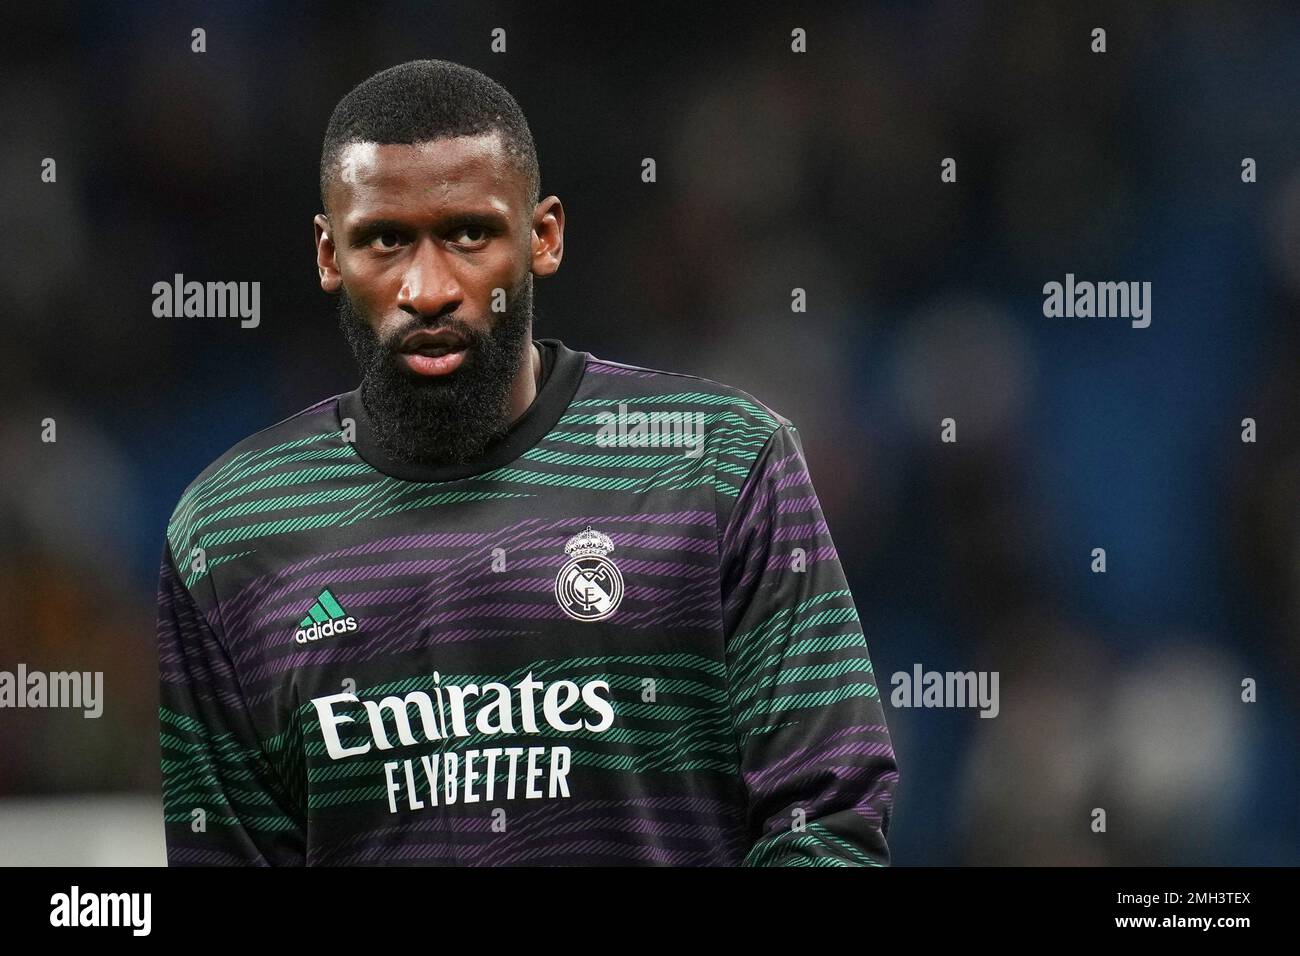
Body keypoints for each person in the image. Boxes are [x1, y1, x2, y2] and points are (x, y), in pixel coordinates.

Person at [156, 59, 898, 866]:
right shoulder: (231, 534)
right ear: (330, 254)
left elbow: (826, 822)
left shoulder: (715, 464)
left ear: (543, 237)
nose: (429, 288)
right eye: (384, 240)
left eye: (470, 233)